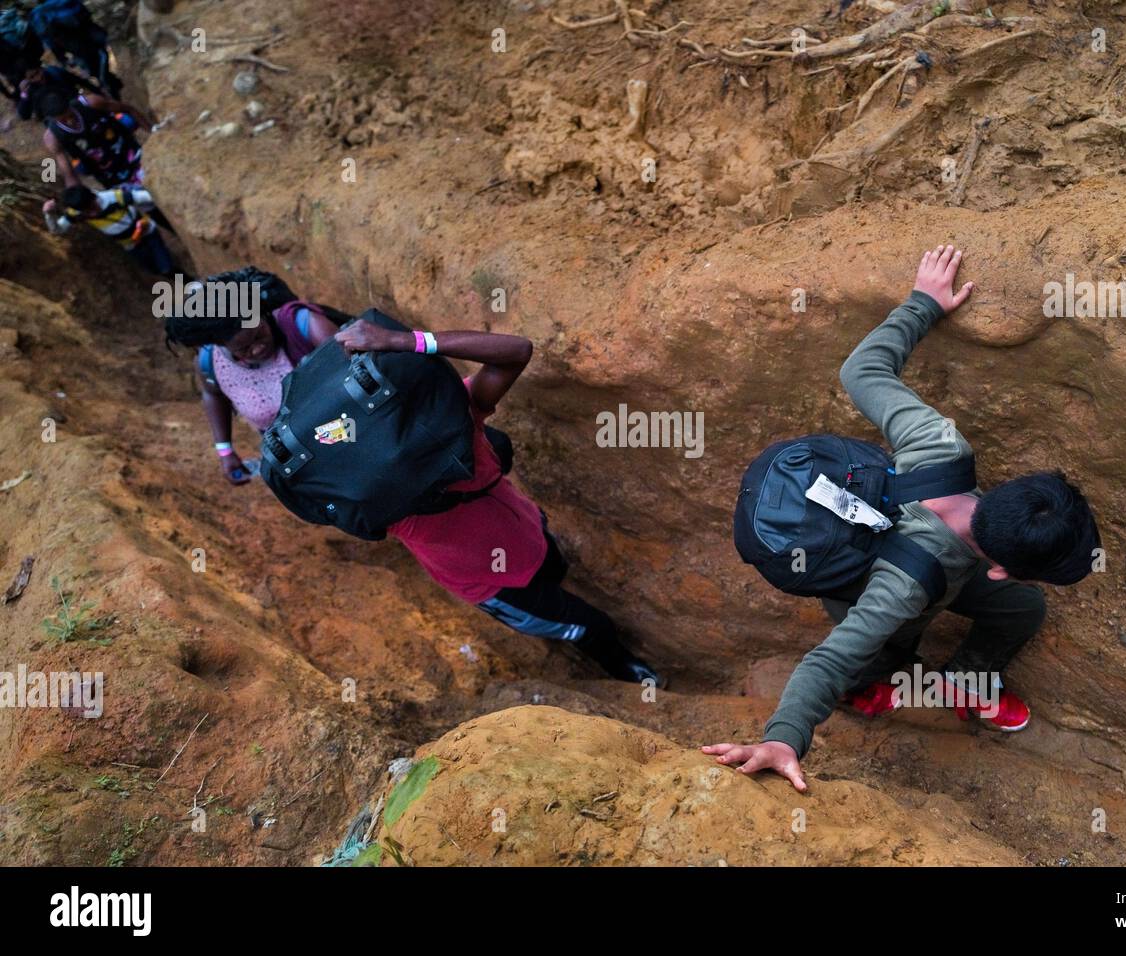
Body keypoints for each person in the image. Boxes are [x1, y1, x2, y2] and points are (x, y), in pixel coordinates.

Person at [704, 245, 1100, 791]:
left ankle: (964, 683)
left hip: (928, 560)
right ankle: (867, 690)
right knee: (882, 650)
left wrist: (922, 304)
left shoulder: (942, 449)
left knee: (1024, 610)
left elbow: (861, 369)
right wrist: (783, 737)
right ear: (1002, 566)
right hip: (869, 576)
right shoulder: (900, 591)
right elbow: (827, 661)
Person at [332, 317, 664, 688]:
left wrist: (403, 340)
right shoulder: (375, 492)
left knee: (553, 566)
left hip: (526, 532)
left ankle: (572, 622)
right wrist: (403, 342)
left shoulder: (448, 421)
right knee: (591, 626)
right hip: (493, 585)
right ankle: (621, 668)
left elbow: (517, 351)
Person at [164, 278, 346, 484]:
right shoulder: (210, 363)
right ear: (221, 345)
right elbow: (212, 394)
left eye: (260, 334)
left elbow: (360, 372)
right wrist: (225, 451)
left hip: (352, 433)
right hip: (301, 459)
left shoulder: (304, 326)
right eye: (244, 349)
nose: (258, 348)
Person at [43, 183, 174, 275]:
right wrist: (48, 214)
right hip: (131, 245)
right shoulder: (76, 212)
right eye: (87, 212)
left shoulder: (115, 197)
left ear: (94, 198)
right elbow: (57, 231)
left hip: (148, 233)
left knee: (166, 267)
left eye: (92, 208)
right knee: (153, 269)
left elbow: (146, 196)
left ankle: (190, 282)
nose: (92, 214)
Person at [36, 86, 148, 189]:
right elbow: (68, 173)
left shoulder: (90, 103)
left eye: (71, 115)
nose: (70, 121)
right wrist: (77, 194)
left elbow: (128, 109)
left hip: (125, 147)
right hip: (103, 168)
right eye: (63, 120)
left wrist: (153, 130)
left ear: (69, 105)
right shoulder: (53, 138)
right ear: (53, 119)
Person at [30, 0, 123, 98]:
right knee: (100, 61)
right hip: (91, 36)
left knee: (93, 69)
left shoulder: (39, 16)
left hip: (76, 46)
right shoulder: (62, 4)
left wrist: (61, 58)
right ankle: (113, 85)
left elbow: (49, 41)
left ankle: (111, 90)